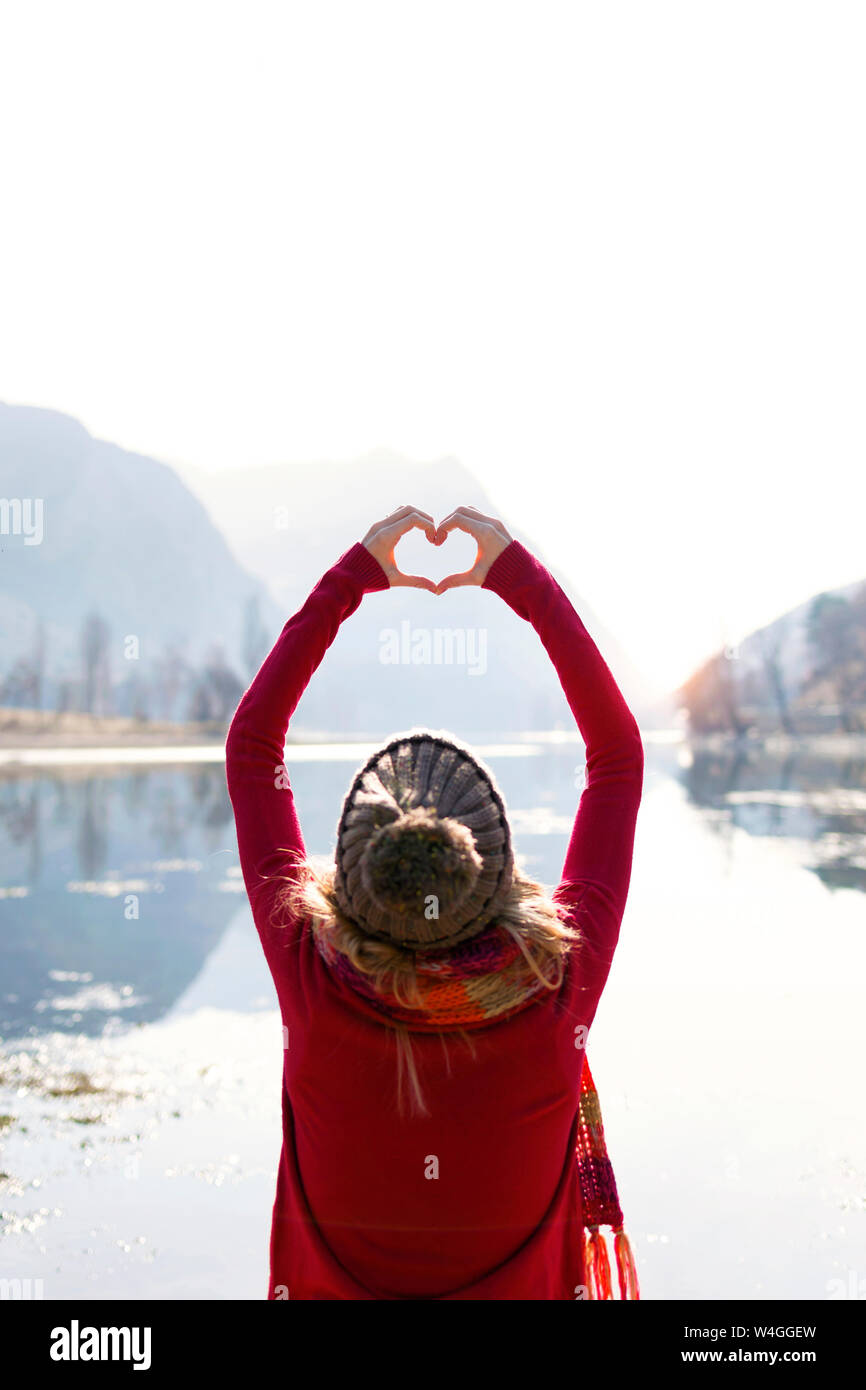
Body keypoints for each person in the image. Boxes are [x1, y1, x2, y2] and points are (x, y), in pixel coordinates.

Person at [225, 503, 644, 1300]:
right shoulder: (556, 983)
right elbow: (618, 761)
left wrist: (354, 579)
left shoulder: (311, 978)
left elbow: (252, 748)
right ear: (494, 870)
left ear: (352, 880)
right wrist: (521, 583)